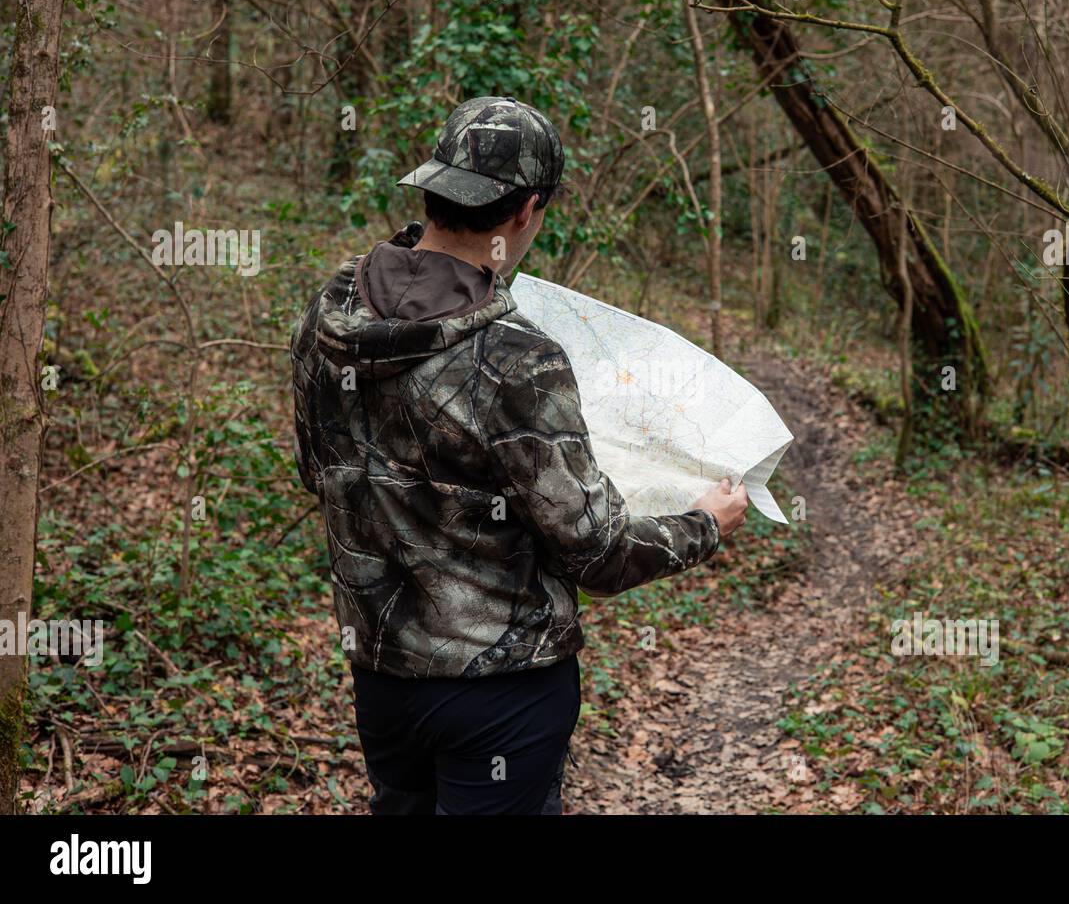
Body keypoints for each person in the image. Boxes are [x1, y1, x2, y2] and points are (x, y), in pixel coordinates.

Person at [290, 95, 748, 814]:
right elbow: (597, 556)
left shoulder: (330, 309)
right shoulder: (517, 358)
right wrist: (704, 525)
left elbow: (320, 469)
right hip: (501, 693)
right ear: (528, 208)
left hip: (381, 675)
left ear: (436, 187)